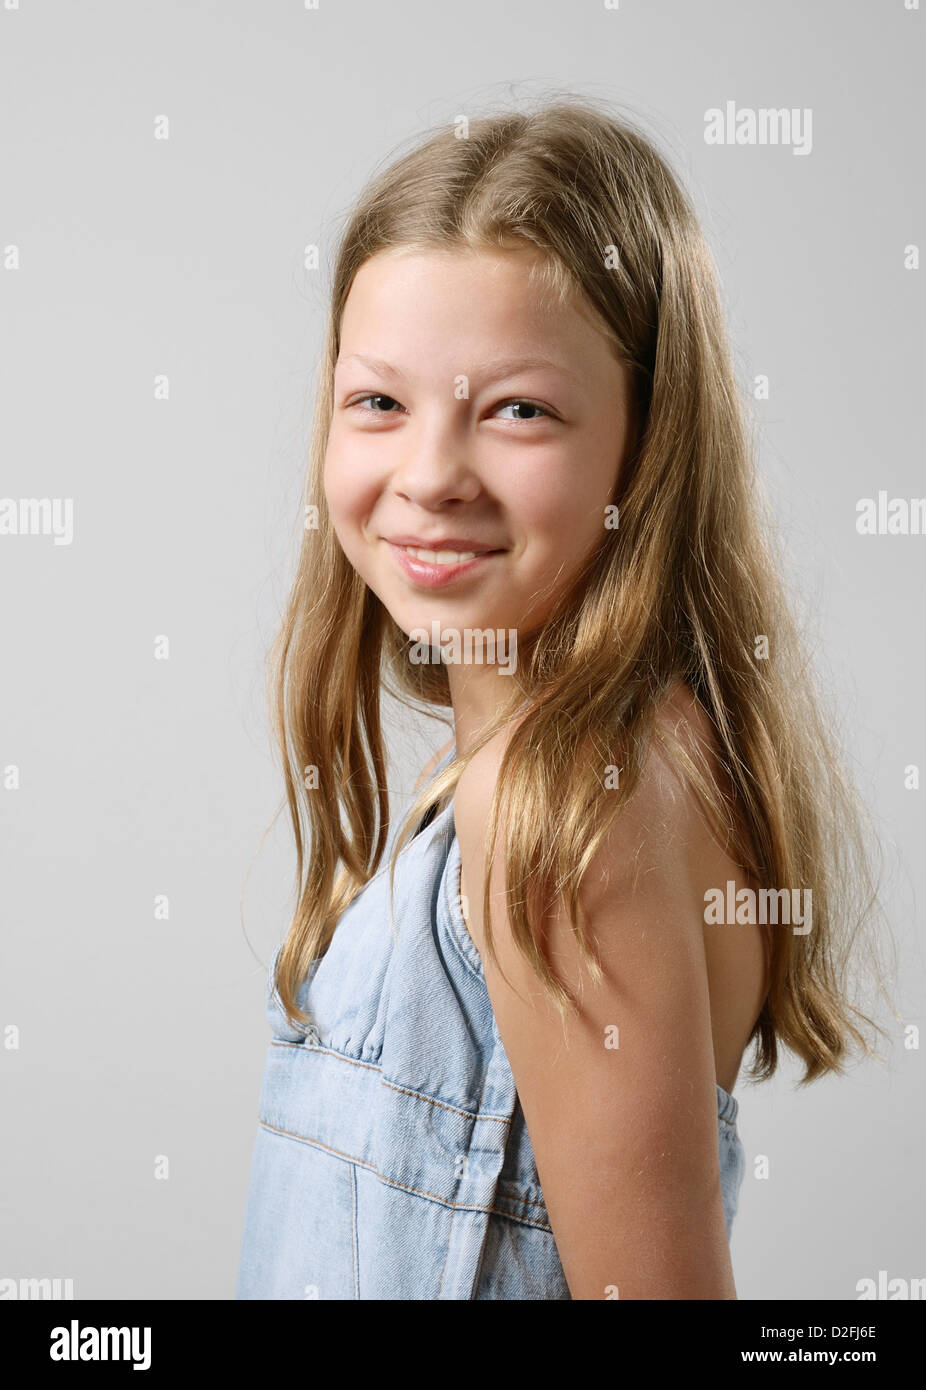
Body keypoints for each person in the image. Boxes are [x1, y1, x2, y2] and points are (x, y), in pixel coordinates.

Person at [235, 94, 891, 1300]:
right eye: (377, 401)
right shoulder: (590, 763)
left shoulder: (564, 806)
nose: (428, 475)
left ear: (645, 448)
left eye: (517, 411)